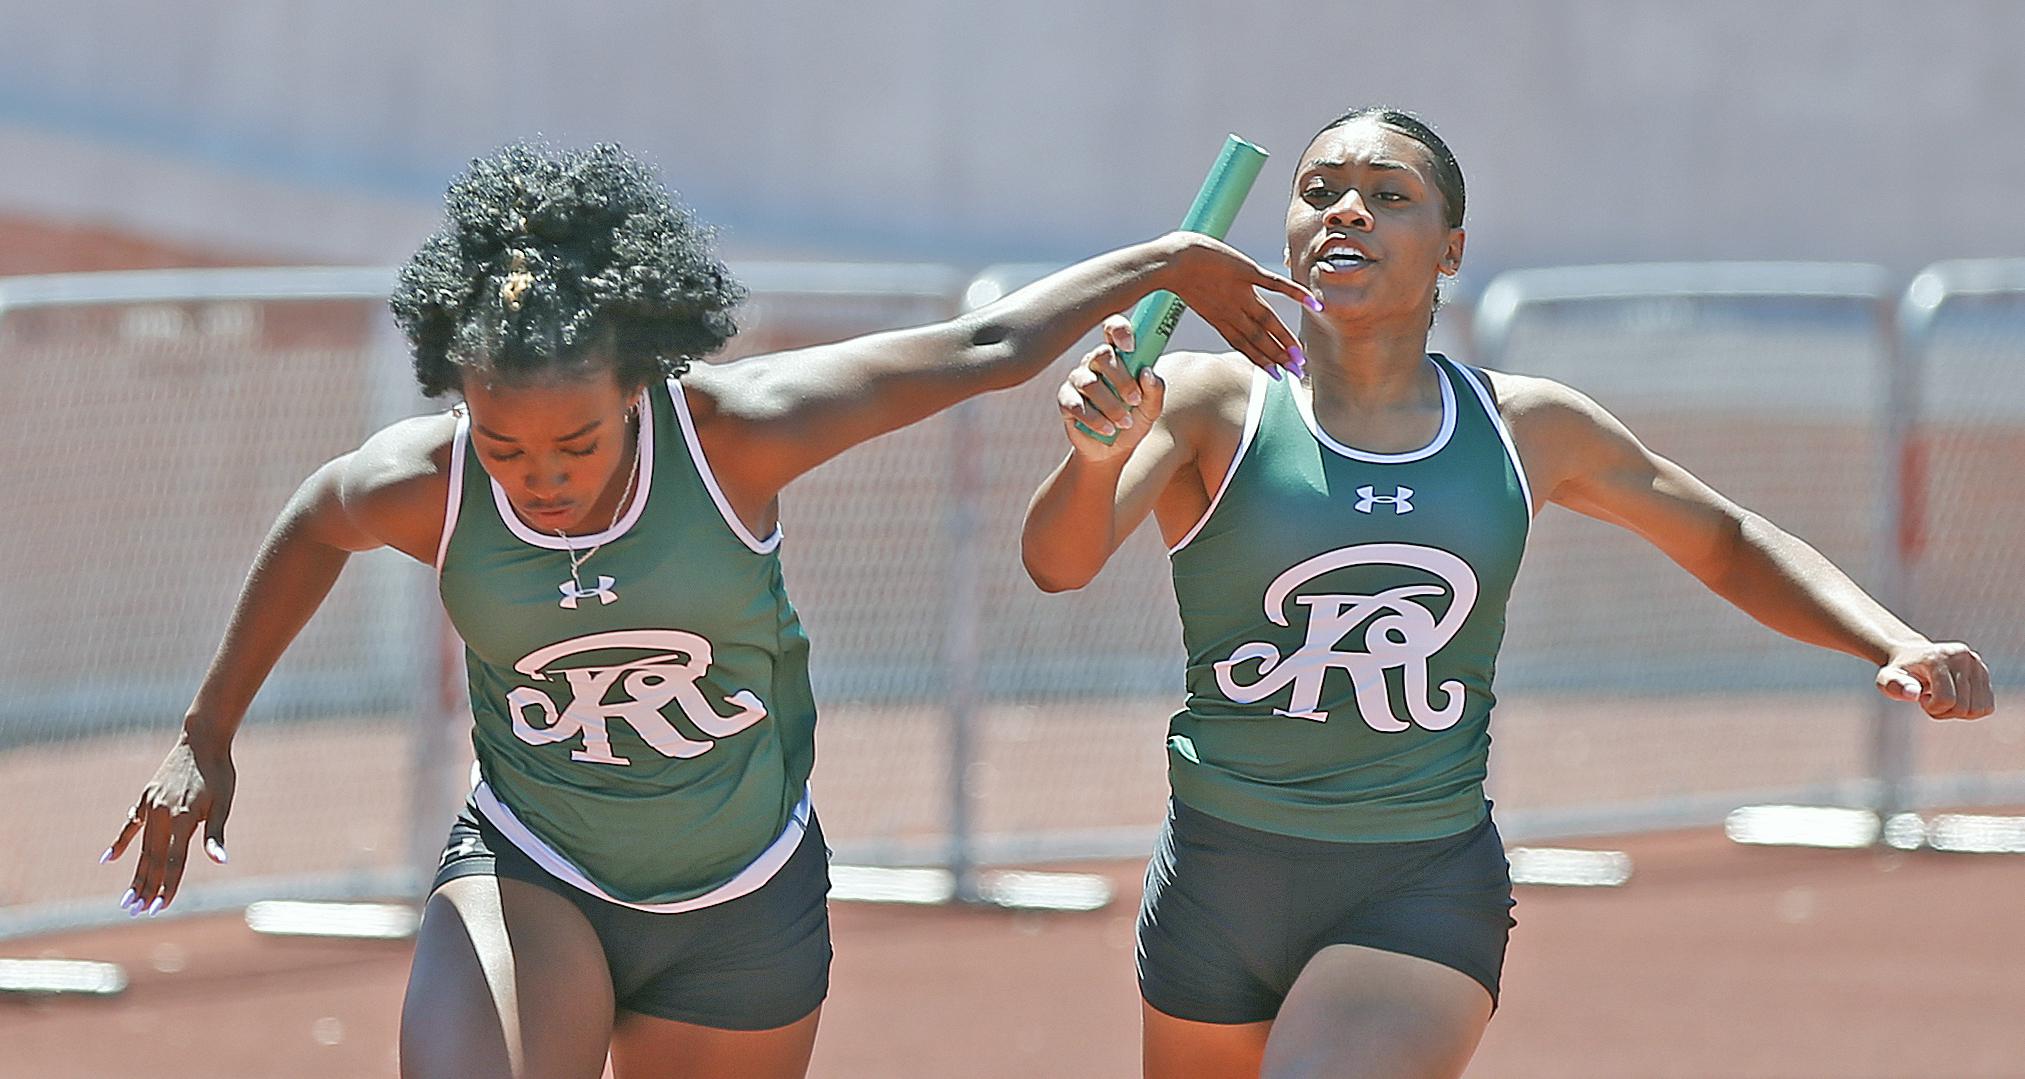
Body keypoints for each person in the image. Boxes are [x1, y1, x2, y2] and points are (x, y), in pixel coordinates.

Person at [100, 141, 1314, 1079]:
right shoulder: (431, 484)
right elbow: (317, 517)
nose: (546, 476)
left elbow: (989, 343)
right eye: (507, 445)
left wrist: (1163, 261)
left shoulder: (734, 435)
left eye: (575, 441)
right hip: (538, 862)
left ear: (640, 382)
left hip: (742, 899)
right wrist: (206, 731)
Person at [1019, 107, 1994, 1079]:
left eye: (1387, 195)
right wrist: (1094, 461)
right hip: (1215, 880)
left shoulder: (1525, 426)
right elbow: (1057, 560)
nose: (1345, 212)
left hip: (1415, 881)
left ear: (1449, 251)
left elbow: (1727, 540)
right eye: (1320, 192)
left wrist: (1891, 639)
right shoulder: (1200, 400)